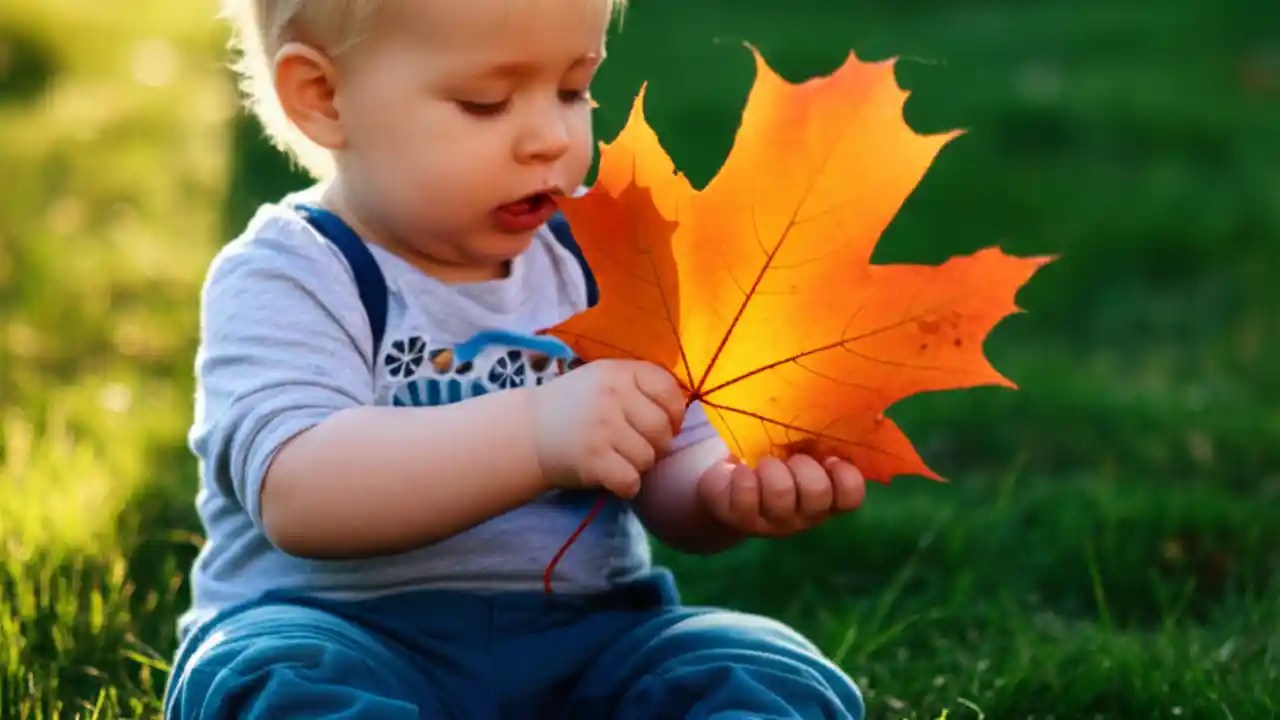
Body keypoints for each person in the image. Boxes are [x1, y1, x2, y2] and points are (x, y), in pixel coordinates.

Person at [164, 0, 868, 717]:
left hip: (590, 637)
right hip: (347, 631)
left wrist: (727, 492)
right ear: (324, 97)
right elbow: (300, 495)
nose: (549, 139)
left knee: (756, 664)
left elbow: (670, 466)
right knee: (276, 678)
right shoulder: (294, 271)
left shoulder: (606, 257)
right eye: (486, 103)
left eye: (573, 90)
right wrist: (537, 434)